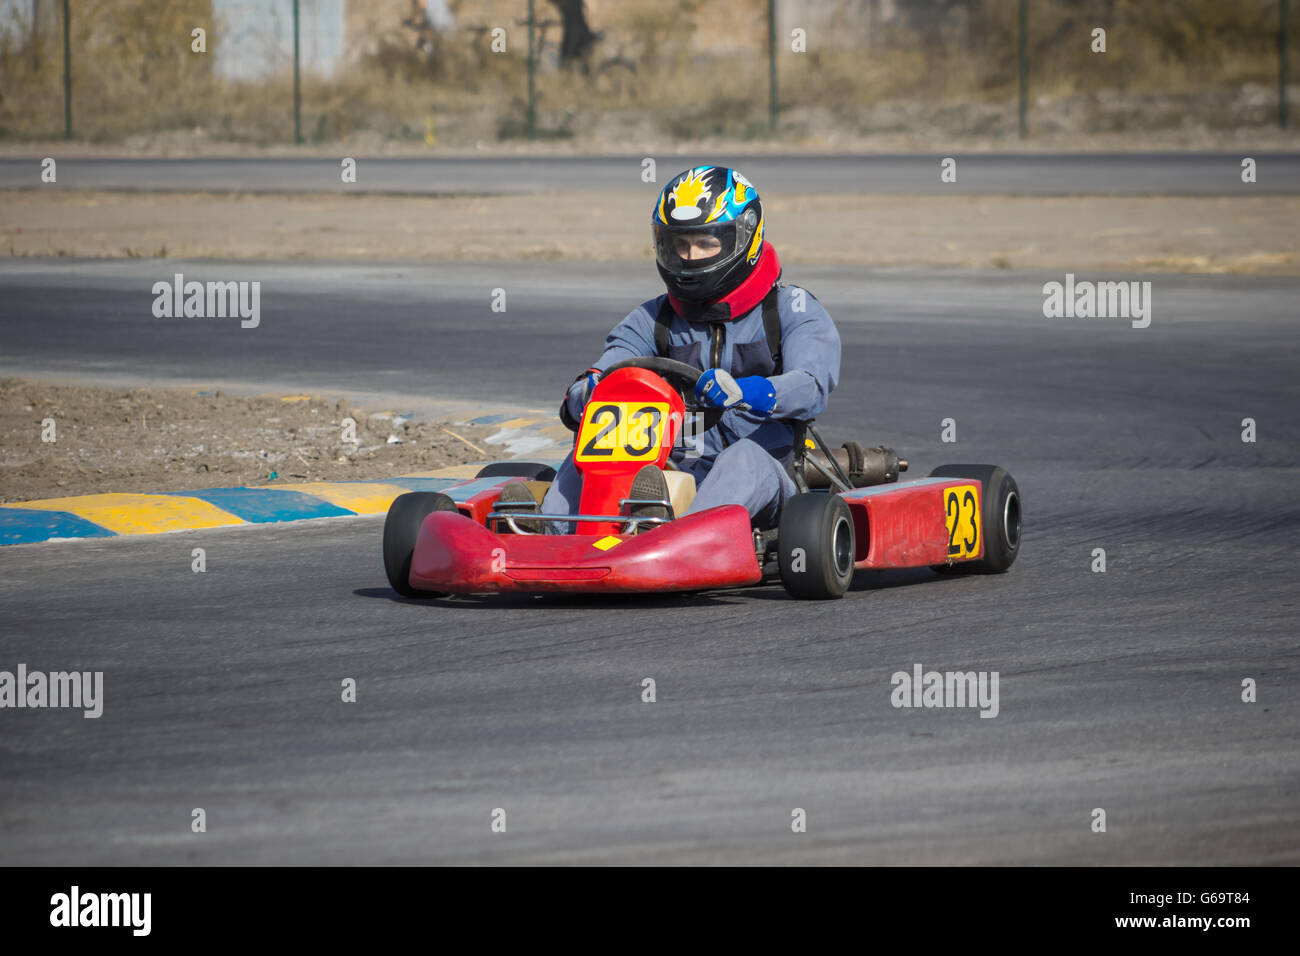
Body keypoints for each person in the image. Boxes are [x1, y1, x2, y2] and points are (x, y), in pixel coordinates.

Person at [499, 165, 841, 532]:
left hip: (767, 474)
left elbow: (813, 383)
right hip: (668, 468)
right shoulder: (654, 317)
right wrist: (587, 391)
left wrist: (748, 392)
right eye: (680, 244)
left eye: (706, 243)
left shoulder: (790, 309)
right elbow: (611, 364)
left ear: (745, 239)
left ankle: (675, 537)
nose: (690, 257)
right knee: (593, 444)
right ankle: (551, 536)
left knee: (743, 459)